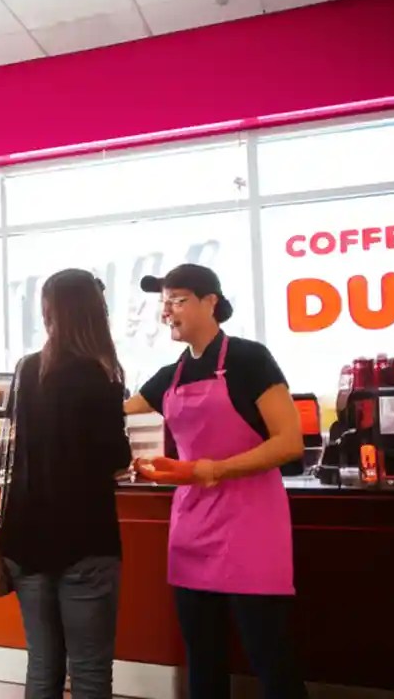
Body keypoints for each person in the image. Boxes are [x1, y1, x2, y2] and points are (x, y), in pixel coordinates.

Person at [124, 264, 306, 699]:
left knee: (269, 655)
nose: (167, 310)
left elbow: (289, 443)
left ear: (212, 302)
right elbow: (118, 420)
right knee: (202, 660)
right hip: (192, 528)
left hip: (252, 525)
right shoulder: (171, 375)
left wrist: (212, 470)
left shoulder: (249, 360)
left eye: (178, 299)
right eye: (163, 302)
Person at [0, 269, 132, 699]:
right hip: (84, 538)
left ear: (50, 311)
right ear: (96, 312)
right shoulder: (101, 372)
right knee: (89, 670)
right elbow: (115, 457)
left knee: (42, 663)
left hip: (25, 536)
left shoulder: (27, 368)